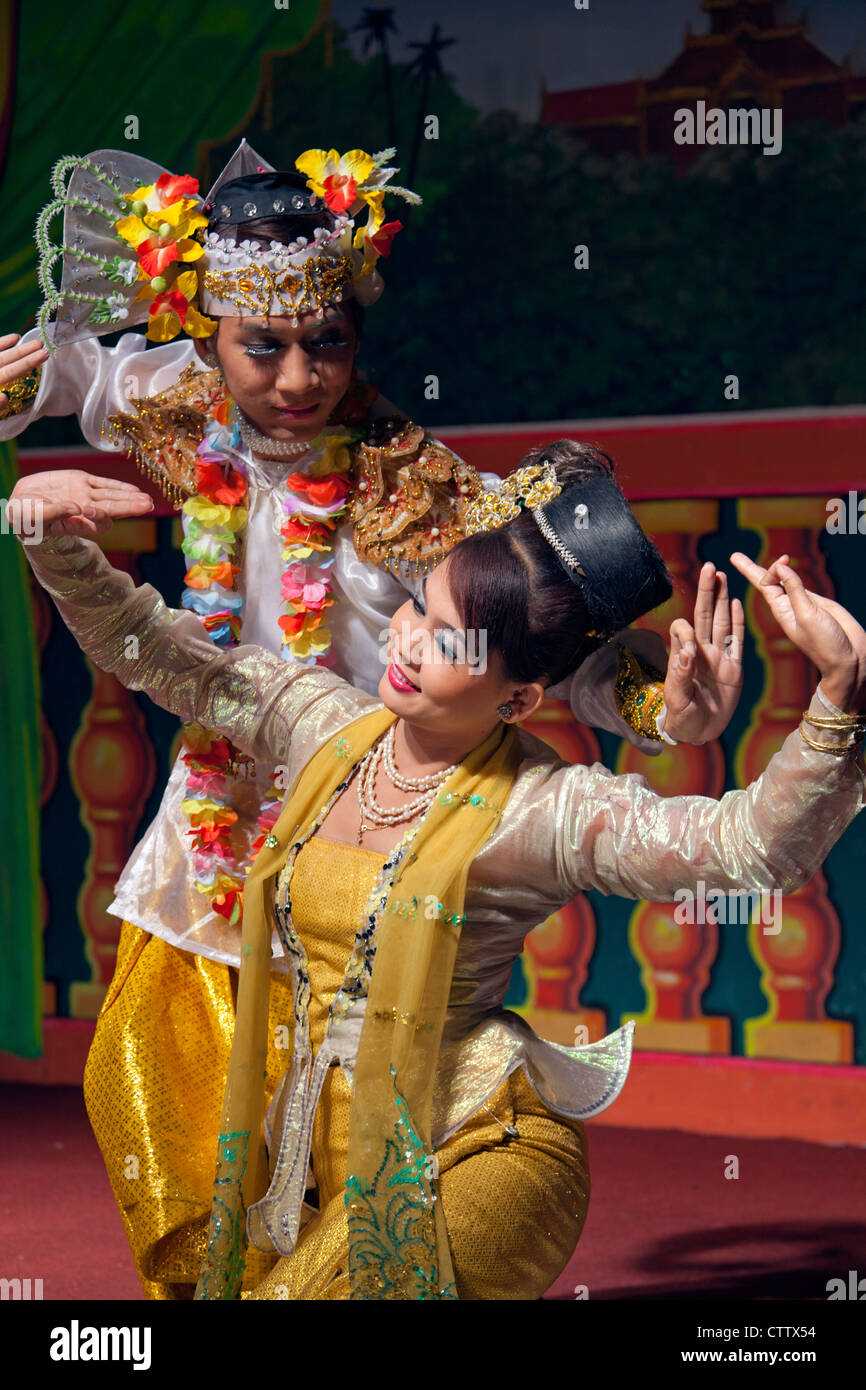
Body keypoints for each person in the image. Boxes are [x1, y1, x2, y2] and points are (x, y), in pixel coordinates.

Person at [9, 443, 865, 1301]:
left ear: (520, 699)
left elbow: (750, 846)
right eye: (420, 605)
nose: (409, 640)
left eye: (450, 639)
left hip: (474, 1151)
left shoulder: (546, 811)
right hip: (317, 1146)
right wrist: (46, 535)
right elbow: (156, 650)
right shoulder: (321, 728)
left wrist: (839, 693)